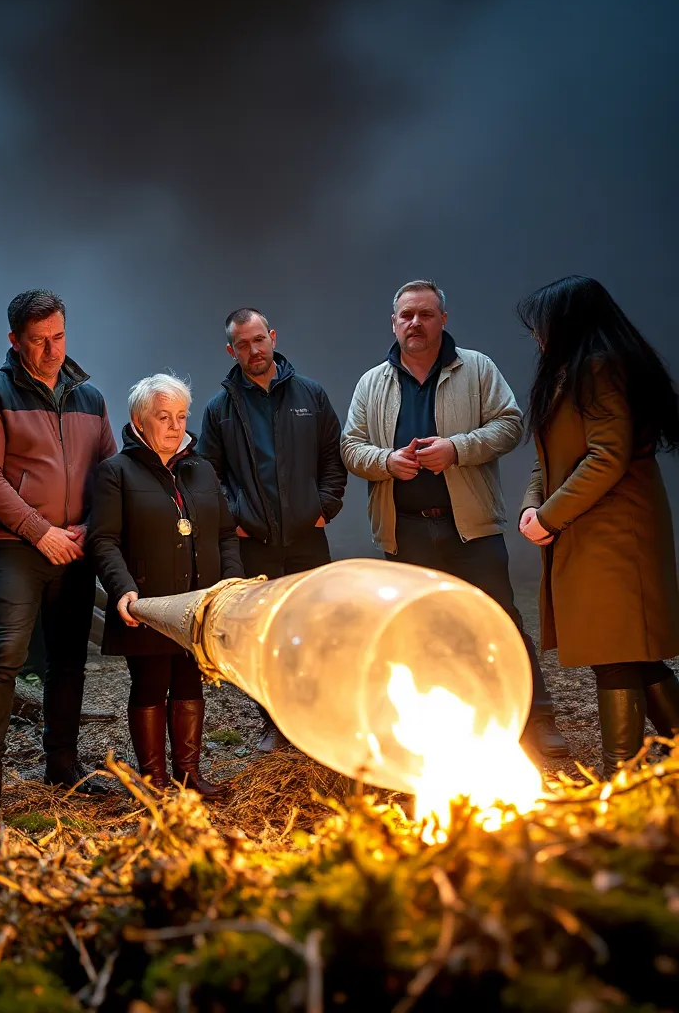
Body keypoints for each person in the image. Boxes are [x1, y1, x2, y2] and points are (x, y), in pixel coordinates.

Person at [341, 278, 567, 759]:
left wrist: (457, 449)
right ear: (394, 323)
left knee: (501, 621)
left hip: (472, 528)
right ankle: (440, 728)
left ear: (444, 320)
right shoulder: (371, 383)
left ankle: (536, 719)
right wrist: (386, 462)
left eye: (425, 314)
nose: (415, 323)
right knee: (418, 631)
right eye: (407, 315)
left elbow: (510, 424)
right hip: (406, 533)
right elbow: (350, 447)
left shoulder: (478, 368)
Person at [0, 289, 117, 821]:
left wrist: (86, 527)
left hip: (74, 545)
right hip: (16, 547)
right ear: (14, 340)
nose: (51, 350)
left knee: (69, 660)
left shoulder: (90, 398)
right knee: (4, 656)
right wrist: (39, 530)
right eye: (37, 341)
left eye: (58, 337)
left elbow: (108, 472)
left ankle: (62, 765)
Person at [517, 276, 679, 775]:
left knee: (617, 655)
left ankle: (618, 778)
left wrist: (549, 516)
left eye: (542, 325)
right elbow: (548, 458)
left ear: (569, 321)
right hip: (590, 528)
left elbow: (607, 456)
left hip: (617, 532)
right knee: (629, 654)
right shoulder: (571, 369)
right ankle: (635, 771)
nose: (537, 336)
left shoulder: (600, 366)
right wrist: (532, 506)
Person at [198, 307, 346, 751]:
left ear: (273, 338)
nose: (253, 350)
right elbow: (208, 475)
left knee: (315, 629)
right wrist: (236, 520)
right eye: (242, 344)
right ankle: (276, 723)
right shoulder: (220, 408)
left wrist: (325, 507)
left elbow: (333, 459)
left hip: (307, 537)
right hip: (255, 544)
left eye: (258, 339)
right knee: (260, 635)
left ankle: (316, 719)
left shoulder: (310, 395)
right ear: (231, 350)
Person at [90, 374, 243, 795]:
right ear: (140, 420)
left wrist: (230, 585)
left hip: (200, 603)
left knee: (192, 682)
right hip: (147, 604)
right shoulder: (115, 472)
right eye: (164, 417)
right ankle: (153, 781)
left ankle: (188, 777)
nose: (176, 426)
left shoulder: (202, 469)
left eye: (181, 416)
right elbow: (103, 539)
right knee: (151, 684)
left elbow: (225, 534)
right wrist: (123, 590)